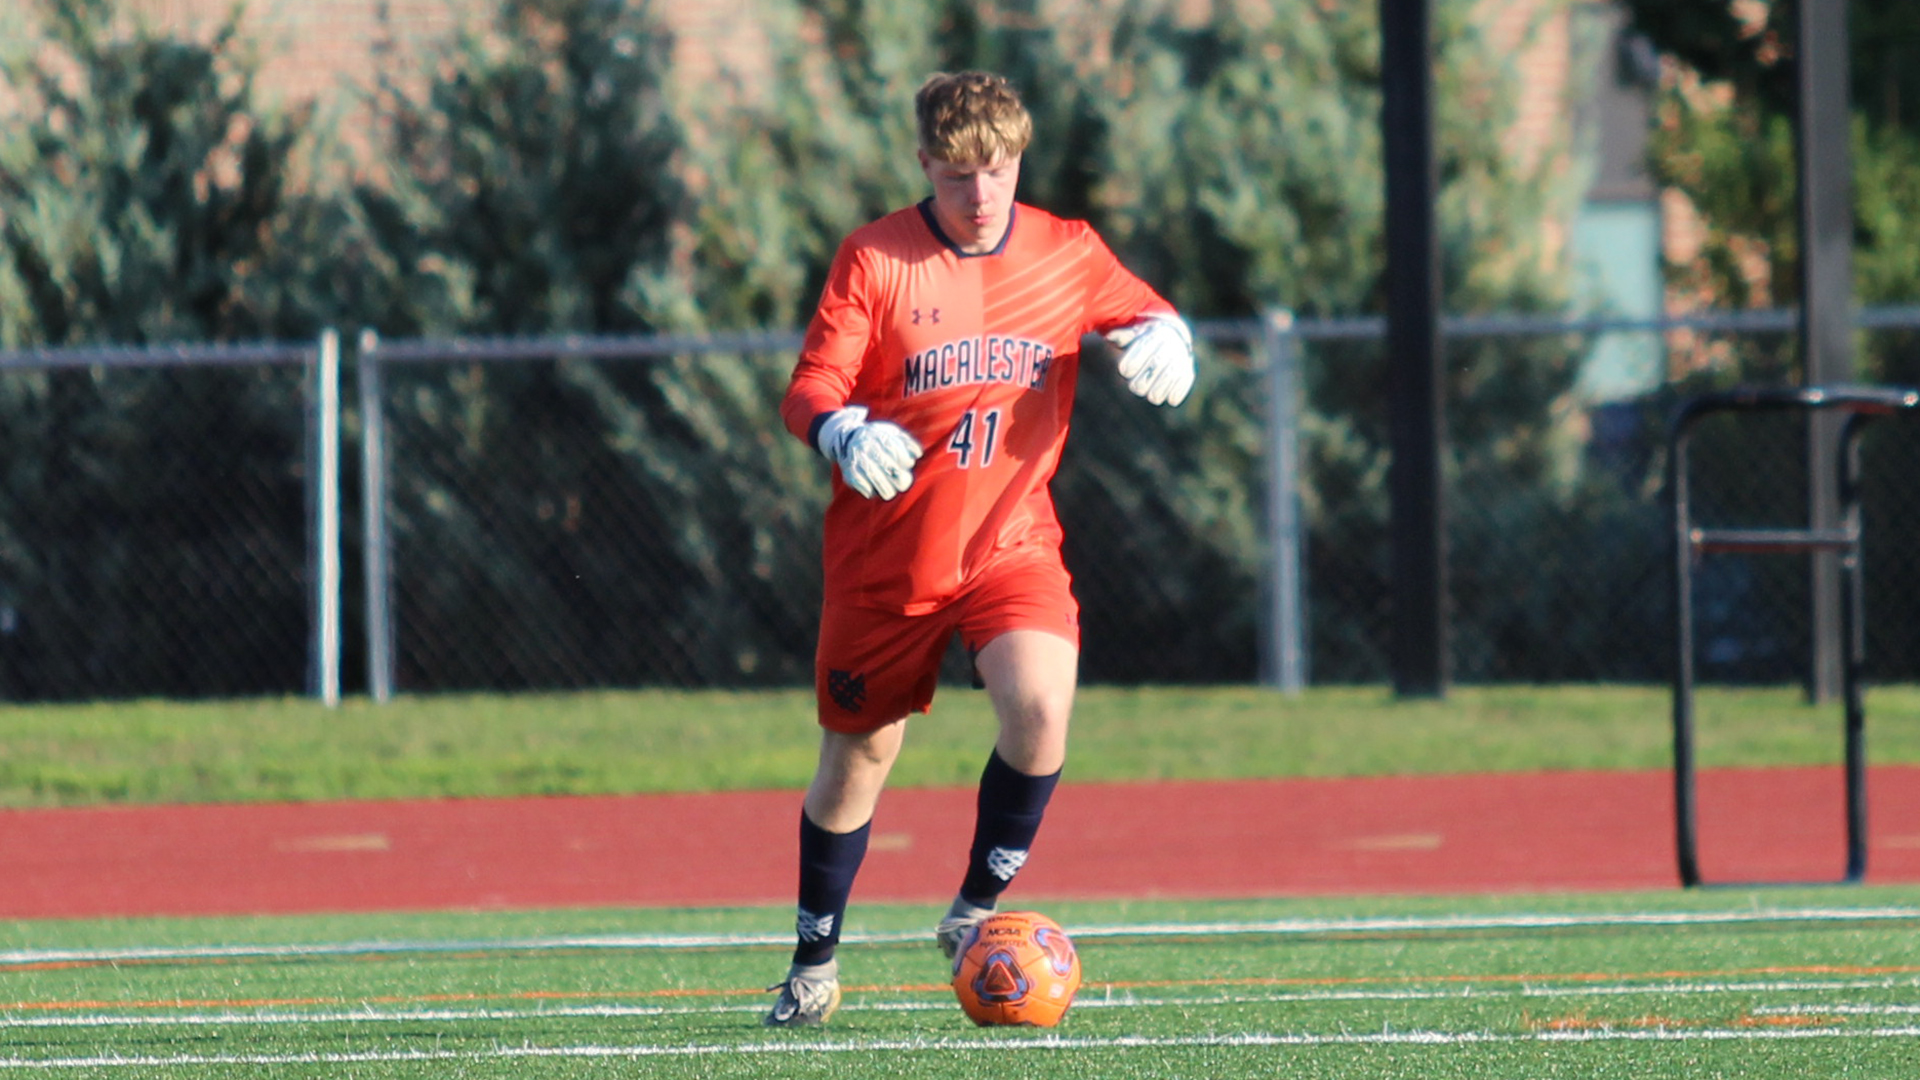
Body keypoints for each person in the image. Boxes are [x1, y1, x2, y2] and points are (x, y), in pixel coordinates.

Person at [764, 69, 1195, 1027]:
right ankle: (813, 960)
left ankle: (972, 913)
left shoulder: (1065, 249)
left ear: (1019, 160)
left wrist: (1169, 335)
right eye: (958, 173)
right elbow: (810, 385)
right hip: (889, 556)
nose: (980, 192)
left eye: (997, 170)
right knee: (857, 759)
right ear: (925, 163)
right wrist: (839, 428)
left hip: (1011, 538)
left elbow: (1141, 312)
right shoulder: (877, 258)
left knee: (1041, 709)